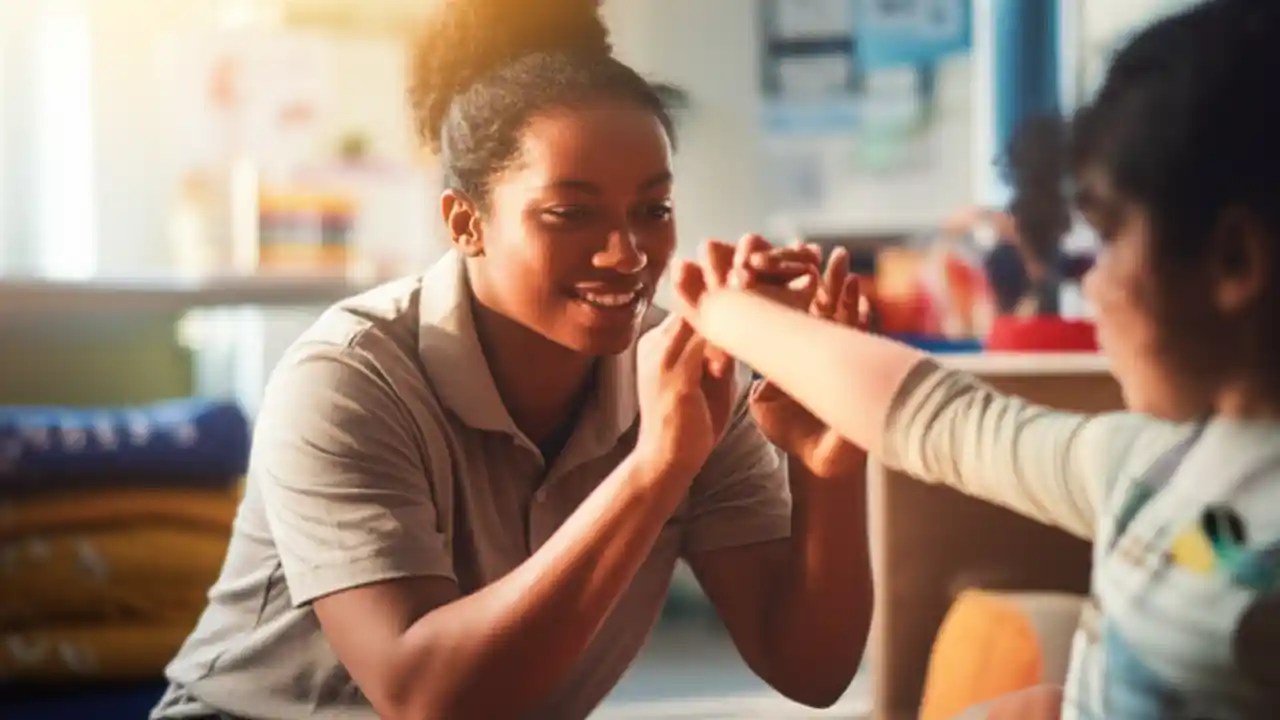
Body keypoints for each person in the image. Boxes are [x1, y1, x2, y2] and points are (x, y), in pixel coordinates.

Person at [151, 1, 871, 718]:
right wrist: (655, 469)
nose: (626, 255)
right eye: (570, 214)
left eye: (652, 211)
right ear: (466, 223)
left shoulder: (689, 380)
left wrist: (827, 464)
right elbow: (423, 695)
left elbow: (811, 669)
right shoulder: (347, 378)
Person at [674, 1, 1280, 718]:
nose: (1092, 280)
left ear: (1234, 260)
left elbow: (937, 416)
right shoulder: (1150, 466)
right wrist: (742, 319)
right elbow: (943, 419)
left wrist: (722, 308)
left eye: (1111, 236)